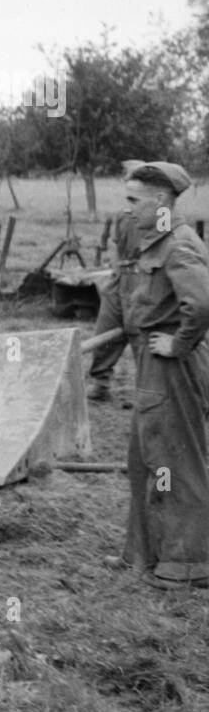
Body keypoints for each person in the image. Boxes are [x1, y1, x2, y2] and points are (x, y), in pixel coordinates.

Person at [97, 162, 209, 590]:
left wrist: (178, 344)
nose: (126, 210)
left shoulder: (179, 245)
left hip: (172, 367)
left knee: (176, 461)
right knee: (146, 460)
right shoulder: (152, 243)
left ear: (160, 201)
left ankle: (188, 564)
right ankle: (144, 555)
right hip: (149, 361)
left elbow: (200, 306)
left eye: (132, 201)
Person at [88, 160, 144, 403]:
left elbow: (165, 244)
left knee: (142, 334)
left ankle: (148, 392)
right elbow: (114, 244)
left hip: (144, 280)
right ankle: (101, 383)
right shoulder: (122, 215)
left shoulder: (162, 214)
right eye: (128, 184)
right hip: (119, 279)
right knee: (106, 329)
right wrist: (116, 266)